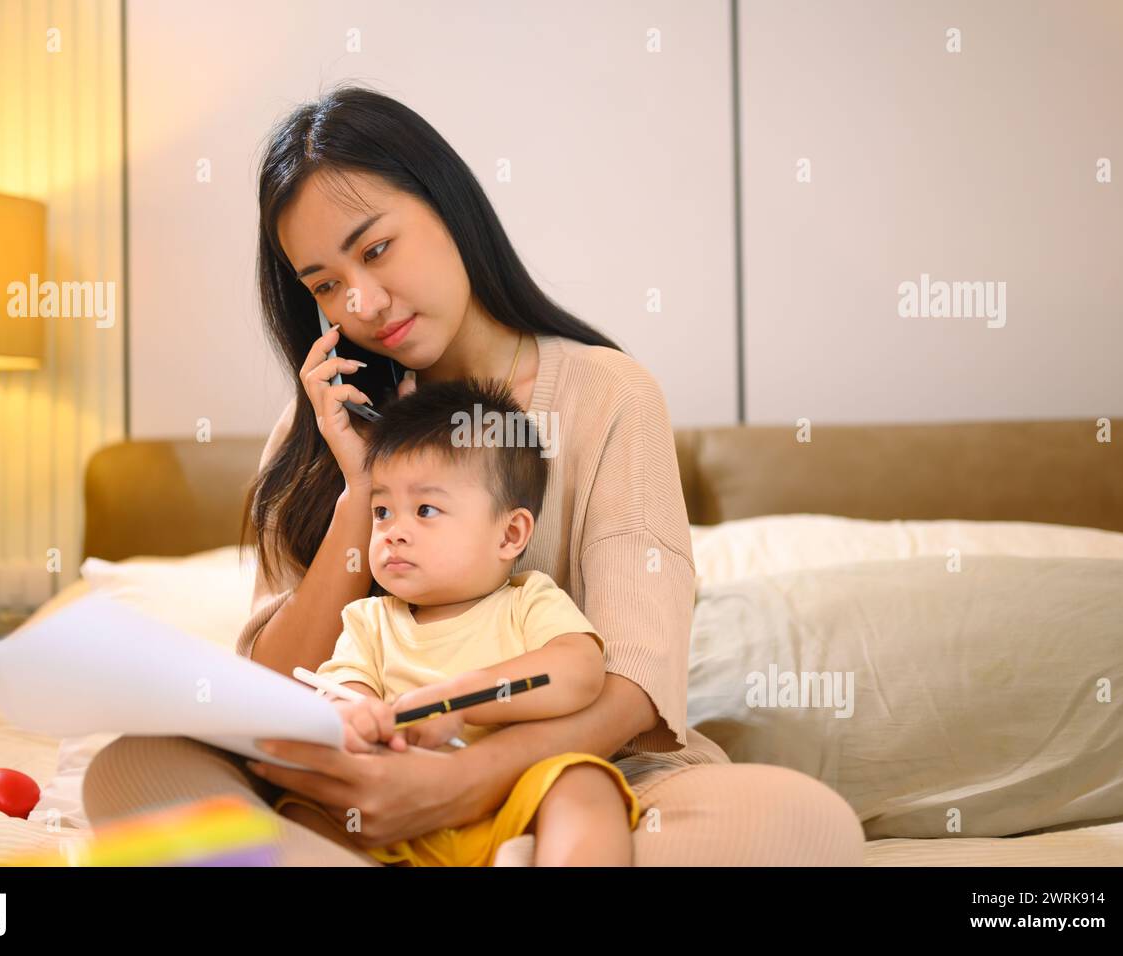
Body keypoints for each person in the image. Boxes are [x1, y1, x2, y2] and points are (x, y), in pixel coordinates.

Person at [83, 83, 866, 866]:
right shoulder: (316, 426)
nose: (362, 300)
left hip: (573, 780)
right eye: (324, 284)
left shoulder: (607, 395)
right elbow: (275, 692)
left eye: (377, 248)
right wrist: (362, 492)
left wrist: (462, 781)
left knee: (801, 823)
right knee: (134, 767)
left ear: (449, 205)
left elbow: (631, 685)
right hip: (360, 792)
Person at [275, 377, 641, 866]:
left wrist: (461, 702)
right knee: (299, 810)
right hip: (392, 812)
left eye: (425, 509)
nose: (393, 533)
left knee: (583, 783)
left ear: (510, 533)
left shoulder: (527, 601)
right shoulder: (367, 620)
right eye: (382, 510)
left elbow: (580, 672)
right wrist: (359, 716)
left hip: (506, 802)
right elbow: (342, 686)